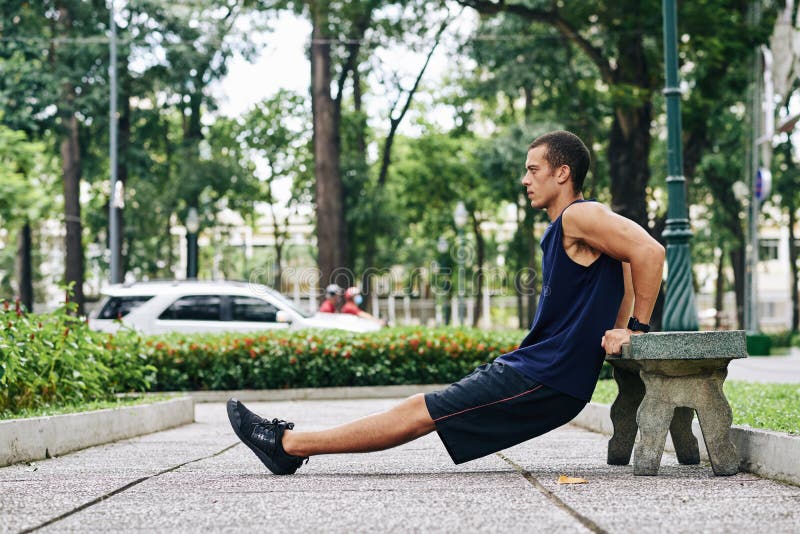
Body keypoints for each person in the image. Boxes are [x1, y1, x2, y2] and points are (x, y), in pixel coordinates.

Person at [227, 130, 665, 475]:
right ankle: (290, 444)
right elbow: (626, 268)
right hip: (543, 369)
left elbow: (649, 252)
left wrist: (635, 330)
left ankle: (286, 444)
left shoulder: (580, 215)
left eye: (534, 170)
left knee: (421, 410)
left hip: (548, 374)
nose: (525, 180)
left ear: (563, 173)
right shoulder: (569, 226)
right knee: (427, 408)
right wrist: (615, 328)